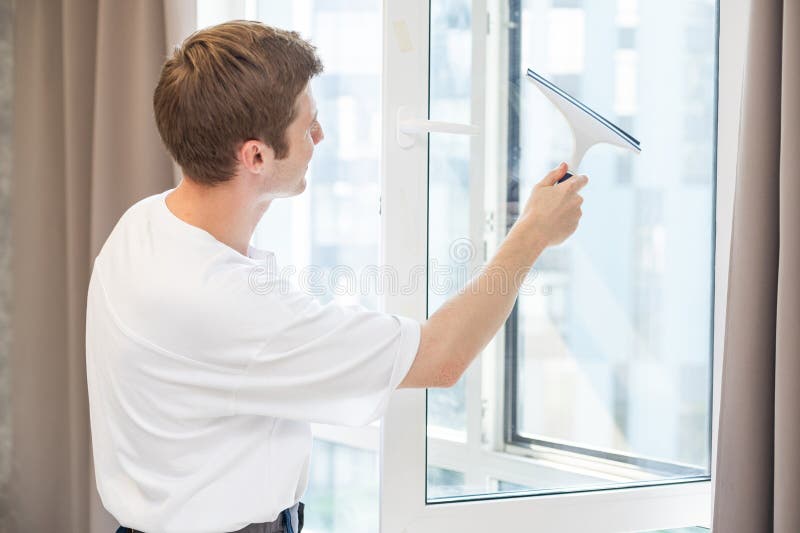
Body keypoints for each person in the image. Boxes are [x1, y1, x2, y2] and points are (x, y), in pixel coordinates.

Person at [85, 20, 587, 533]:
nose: (320, 136)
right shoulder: (224, 305)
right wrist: (533, 233)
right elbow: (440, 358)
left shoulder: (143, 224)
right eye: (308, 125)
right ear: (255, 155)